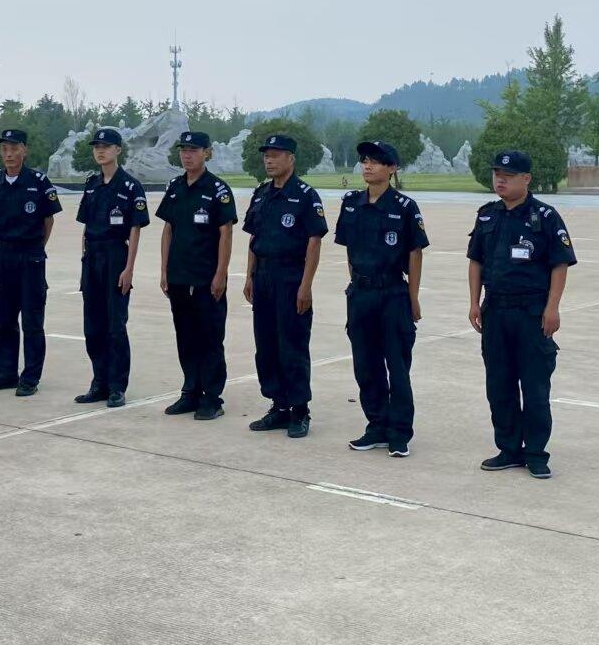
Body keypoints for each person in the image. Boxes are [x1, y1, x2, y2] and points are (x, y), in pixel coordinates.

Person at [467, 149, 576, 480]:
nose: (500, 180)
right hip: (496, 310)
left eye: (508, 176)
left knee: (535, 386)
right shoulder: (487, 216)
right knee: (499, 385)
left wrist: (552, 308)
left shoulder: (545, 216)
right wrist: (474, 302)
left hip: (531, 312)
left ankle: (536, 453)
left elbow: (560, 264)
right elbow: (476, 261)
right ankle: (509, 449)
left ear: (526, 179)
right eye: (497, 175)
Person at [335, 140, 429, 458]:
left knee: (397, 367)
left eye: (375, 161)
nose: (368, 166)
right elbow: (350, 249)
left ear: (391, 168)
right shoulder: (351, 203)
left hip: (392, 294)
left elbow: (415, 254)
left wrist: (413, 298)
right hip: (361, 294)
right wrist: (356, 285)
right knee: (366, 364)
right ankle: (376, 425)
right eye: (365, 160)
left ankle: (399, 432)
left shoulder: (404, 207)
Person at [241, 133, 327, 439]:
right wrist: (249, 275)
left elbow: (314, 241)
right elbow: (254, 237)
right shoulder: (262, 194)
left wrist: (306, 285)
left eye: (276, 155)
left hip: (291, 277)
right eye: (266, 155)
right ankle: (278, 406)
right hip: (263, 277)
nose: (269, 160)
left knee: (292, 345)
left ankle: (299, 410)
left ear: (291, 158)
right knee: (266, 345)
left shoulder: (305, 195)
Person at [0, 128, 59, 396]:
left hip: (30, 255)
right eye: (4, 149)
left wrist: (37, 247)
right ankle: (6, 374)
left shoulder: (38, 181)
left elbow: (49, 220)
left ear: (24, 151)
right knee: (4, 319)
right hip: (4, 254)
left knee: (32, 320)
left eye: (14, 148)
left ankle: (30, 378)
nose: (9, 154)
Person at [155, 130, 236, 420]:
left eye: (193, 150)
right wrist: (164, 269)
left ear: (207, 153)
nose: (187, 155)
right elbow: (168, 229)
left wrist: (221, 273)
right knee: (186, 337)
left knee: (210, 338)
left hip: (206, 277)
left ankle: (212, 398)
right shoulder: (175, 186)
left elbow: (226, 233)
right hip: (178, 275)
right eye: (183, 150)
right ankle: (190, 391)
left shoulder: (217, 189)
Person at [73, 127, 150, 408]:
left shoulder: (130, 186)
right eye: (97, 147)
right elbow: (85, 226)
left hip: (116, 256)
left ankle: (117, 386)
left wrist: (129, 269)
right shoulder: (92, 184)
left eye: (106, 147)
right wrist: (84, 259)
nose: (100, 151)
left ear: (118, 150)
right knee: (93, 325)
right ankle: (99, 382)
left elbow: (135, 229)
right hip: (92, 258)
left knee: (115, 325)